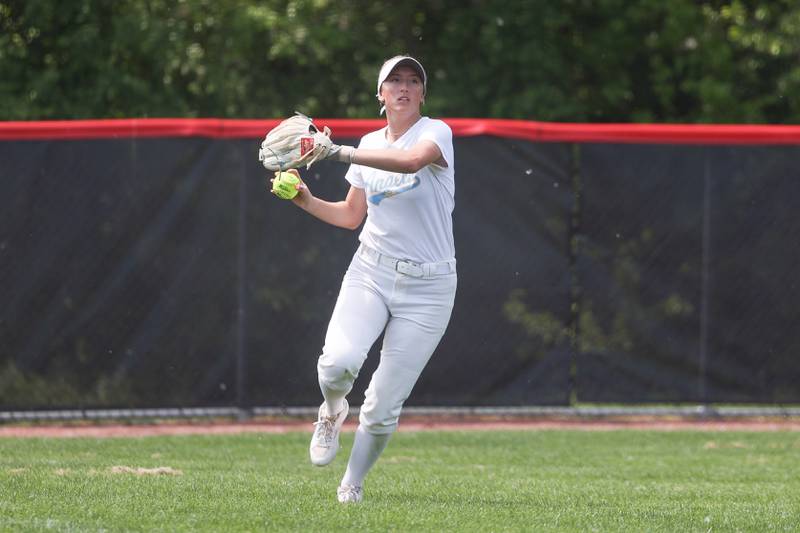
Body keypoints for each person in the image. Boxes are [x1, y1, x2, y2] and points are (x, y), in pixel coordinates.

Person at [273, 55, 457, 504]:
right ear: (381, 94)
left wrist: (338, 152)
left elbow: (411, 162)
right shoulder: (369, 143)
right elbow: (351, 215)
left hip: (430, 287)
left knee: (382, 405)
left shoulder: (436, 133)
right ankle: (332, 410)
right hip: (372, 271)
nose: (404, 87)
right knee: (337, 364)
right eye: (394, 81)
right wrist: (305, 199)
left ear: (423, 94)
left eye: (413, 81)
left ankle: (351, 484)